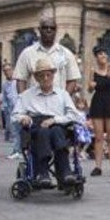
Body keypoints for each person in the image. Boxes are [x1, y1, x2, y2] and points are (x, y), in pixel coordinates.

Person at [12, 58, 83, 187]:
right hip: (36, 126)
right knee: (43, 132)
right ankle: (43, 172)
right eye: (41, 75)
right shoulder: (27, 95)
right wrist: (23, 118)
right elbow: (15, 114)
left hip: (57, 124)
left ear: (53, 75)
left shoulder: (62, 94)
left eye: (48, 75)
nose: (45, 78)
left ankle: (65, 171)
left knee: (56, 131)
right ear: (36, 78)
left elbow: (74, 115)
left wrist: (54, 120)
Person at [13, 17, 82, 95]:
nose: (49, 30)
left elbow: (72, 79)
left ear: (56, 31)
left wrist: (64, 99)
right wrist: (23, 99)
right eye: (45, 28)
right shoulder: (27, 54)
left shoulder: (66, 54)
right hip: (34, 101)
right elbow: (21, 80)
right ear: (39, 30)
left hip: (58, 101)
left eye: (52, 28)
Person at [87, 46, 110, 177]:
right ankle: (98, 166)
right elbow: (89, 89)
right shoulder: (93, 70)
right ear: (96, 57)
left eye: (104, 53)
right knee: (98, 137)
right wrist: (90, 86)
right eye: (100, 54)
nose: (103, 56)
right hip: (98, 102)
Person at [2, 63, 22, 159]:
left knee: (21, 131)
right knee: (14, 131)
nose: (7, 72)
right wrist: (5, 109)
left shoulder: (17, 82)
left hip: (20, 109)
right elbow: (5, 98)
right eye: (5, 71)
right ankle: (16, 150)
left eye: (9, 70)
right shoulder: (4, 84)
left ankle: (19, 150)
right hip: (10, 110)